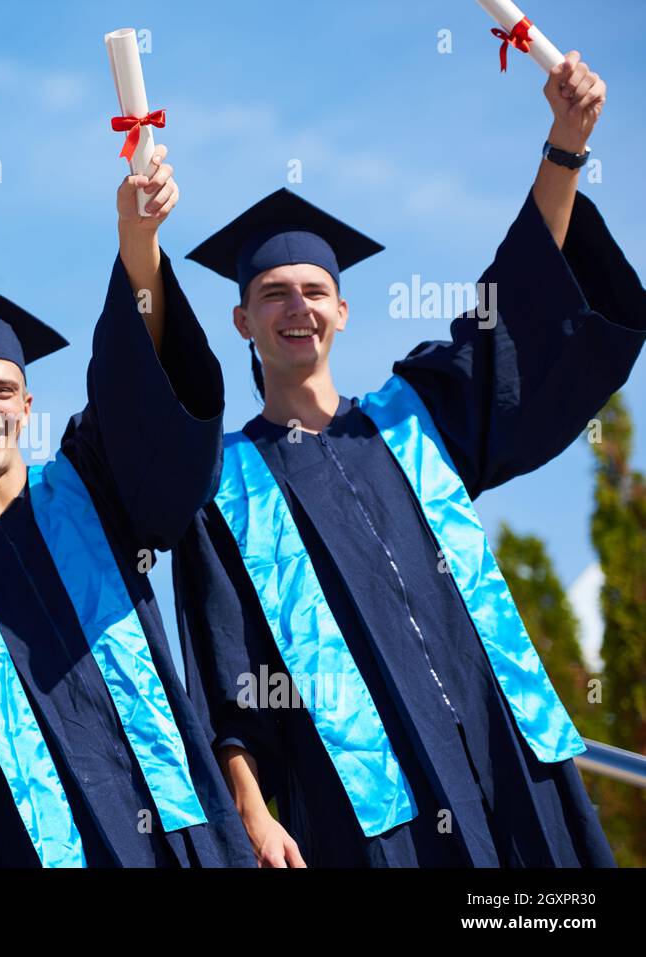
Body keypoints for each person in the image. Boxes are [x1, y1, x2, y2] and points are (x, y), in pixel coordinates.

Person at [172, 52, 640, 867]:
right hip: (375, 807)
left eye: (314, 291)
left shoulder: (411, 415)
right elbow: (229, 680)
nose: (297, 308)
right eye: (274, 294)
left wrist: (563, 146)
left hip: (510, 750)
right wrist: (252, 811)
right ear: (242, 320)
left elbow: (515, 302)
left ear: (343, 312)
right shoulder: (226, 489)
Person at [0, 145, 256, 866]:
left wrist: (139, 245)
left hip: (186, 831)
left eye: (2, 390)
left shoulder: (88, 482)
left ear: (27, 405)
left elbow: (143, 400)